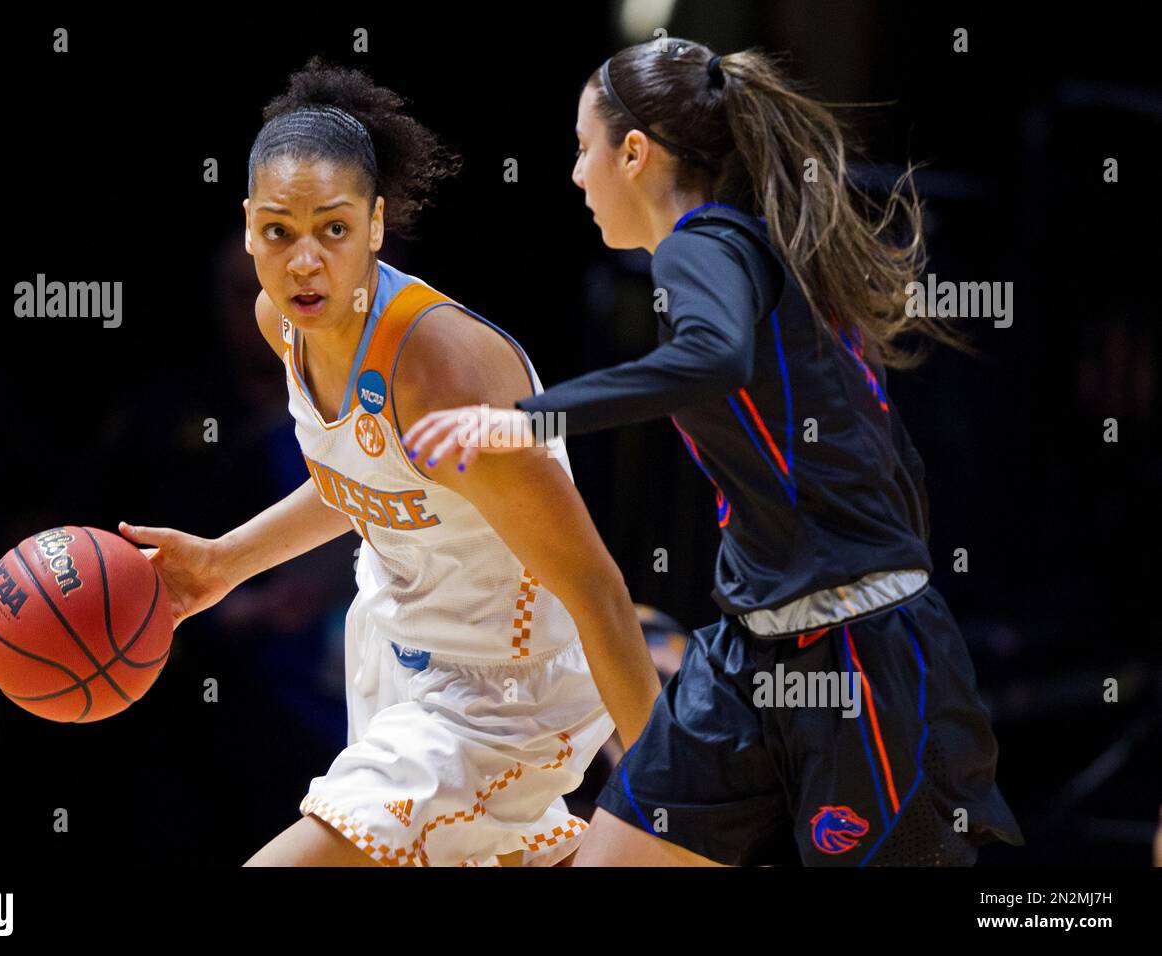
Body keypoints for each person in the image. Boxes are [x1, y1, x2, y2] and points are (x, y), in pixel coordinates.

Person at [405, 39, 1025, 866]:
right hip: (748, 656)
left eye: (583, 148)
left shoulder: (705, 246)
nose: (575, 174)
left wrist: (529, 418)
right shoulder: (749, 255)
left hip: (858, 655)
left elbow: (713, 358)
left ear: (634, 153)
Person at [119, 56, 660, 867]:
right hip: (395, 655)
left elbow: (598, 592)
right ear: (247, 226)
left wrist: (670, 796)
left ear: (375, 226)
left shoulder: (442, 371)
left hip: (502, 692)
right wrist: (224, 563)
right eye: (278, 230)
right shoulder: (283, 323)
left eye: (333, 229)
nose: (305, 261)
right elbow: (368, 479)